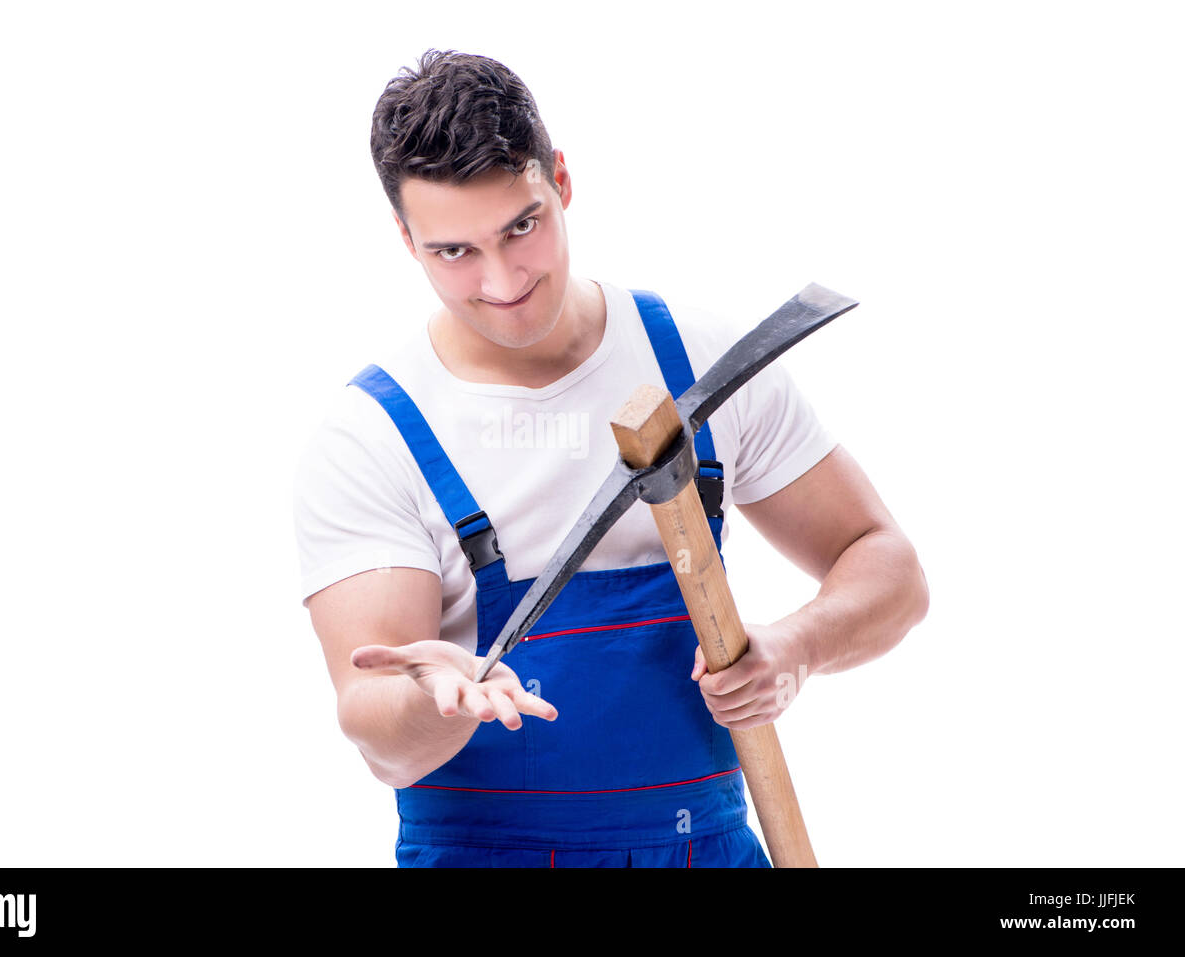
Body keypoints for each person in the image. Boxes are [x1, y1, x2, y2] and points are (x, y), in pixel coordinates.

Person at [293, 48, 929, 867]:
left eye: (521, 226)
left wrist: (796, 649)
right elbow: (381, 737)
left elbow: (890, 568)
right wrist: (437, 702)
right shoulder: (372, 438)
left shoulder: (695, 360)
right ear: (406, 239)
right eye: (455, 251)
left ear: (560, 180)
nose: (503, 279)